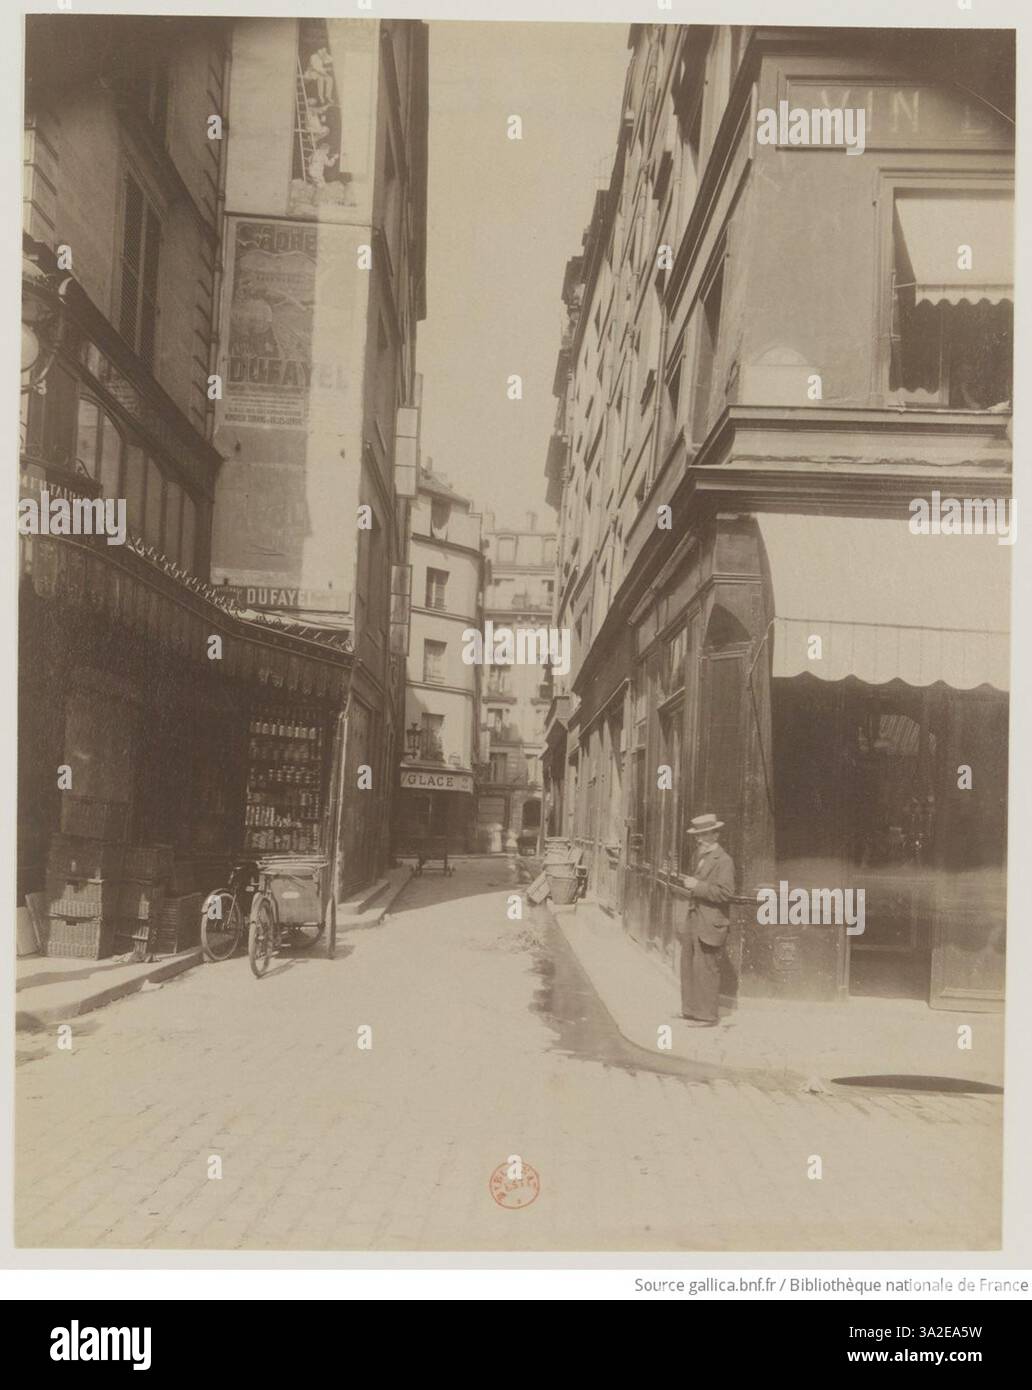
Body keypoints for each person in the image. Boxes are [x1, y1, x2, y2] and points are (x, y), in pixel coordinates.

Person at [677, 813, 735, 1026]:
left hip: (710, 921)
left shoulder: (725, 860)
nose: (698, 839)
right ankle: (691, 1010)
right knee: (690, 965)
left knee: (707, 968)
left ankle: (708, 1016)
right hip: (695, 917)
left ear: (715, 835)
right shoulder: (699, 856)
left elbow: (726, 893)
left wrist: (697, 886)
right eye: (697, 835)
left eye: (703, 835)